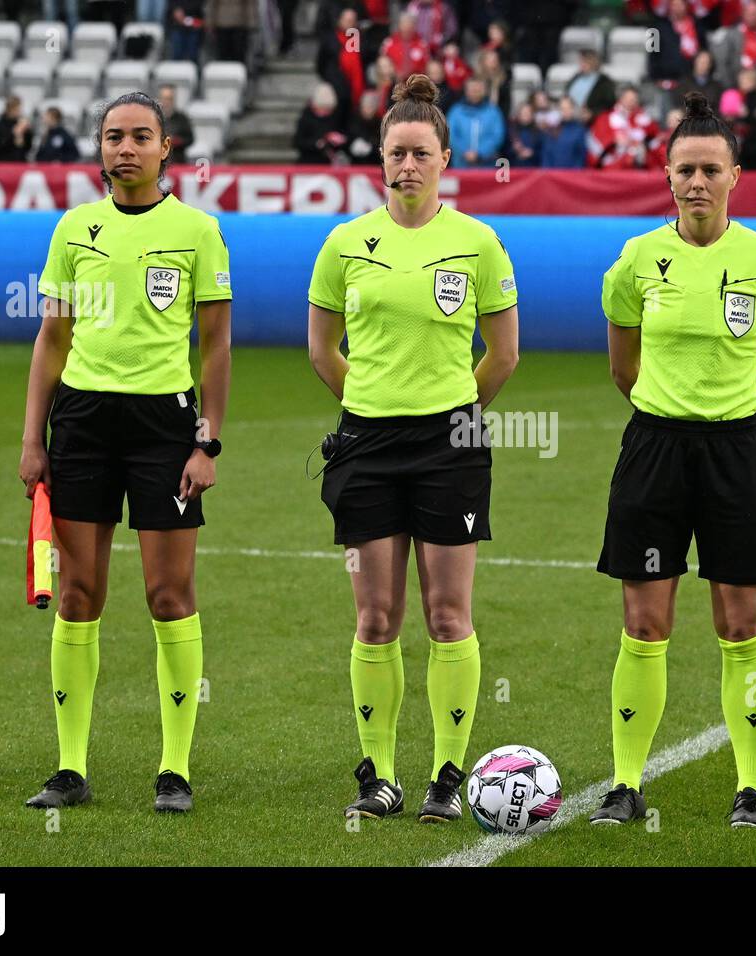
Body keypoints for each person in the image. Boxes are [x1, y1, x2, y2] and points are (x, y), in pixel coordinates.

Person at [307, 74, 519, 823]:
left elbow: (502, 355)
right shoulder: (345, 243)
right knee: (374, 617)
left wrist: (452, 411)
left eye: (420, 153)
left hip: (450, 444)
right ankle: (380, 776)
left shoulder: (476, 241)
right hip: (365, 443)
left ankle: (446, 778)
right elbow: (322, 347)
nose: (407, 166)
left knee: (448, 613)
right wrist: (369, 404)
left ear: (445, 158)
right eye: (396, 152)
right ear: (380, 158)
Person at [589, 91, 756, 828]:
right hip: (654, 447)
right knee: (645, 623)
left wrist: (736, 421)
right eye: (686, 169)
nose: (697, 182)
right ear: (668, 175)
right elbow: (624, 366)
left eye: (712, 168)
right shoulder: (638, 259)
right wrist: (668, 414)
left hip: (736, 451)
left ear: (736, 175)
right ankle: (624, 783)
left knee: (741, 624)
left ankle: (751, 788)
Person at [19, 91, 233, 814]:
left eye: (142, 136)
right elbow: (52, 338)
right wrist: (32, 438)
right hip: (79, 422)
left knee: (167, 596)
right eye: (114, 136)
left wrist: (208, 439)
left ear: (166, 148)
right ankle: (69, 769)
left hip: (162, 427)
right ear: (100, 147)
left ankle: (174, 769)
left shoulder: (197, 230)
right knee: (78, 596)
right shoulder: (74, 229)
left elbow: (216, 344)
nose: (126, 148)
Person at [446, 77, 505, 168]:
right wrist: (464, 152)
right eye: (472, 89)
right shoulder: (456, 111)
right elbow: (450, 134)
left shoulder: (493, 112)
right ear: (466, 91)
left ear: (484, 91)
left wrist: (480, 153)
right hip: (461, 165)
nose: (475, 92)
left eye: (478, 89)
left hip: (487, 165)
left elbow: (497, 136)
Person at [566, 49, 617, 121]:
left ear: (593, 62)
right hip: (571, 117)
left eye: (585, 61)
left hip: (593, 121)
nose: (581, 64)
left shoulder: (604, 82)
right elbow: (566, 95)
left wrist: (593, 113)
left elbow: (609, 105)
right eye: (581, 61)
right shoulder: (576, 77)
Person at [541, 94, 589, 168]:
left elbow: (582, 156)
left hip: (571, 176)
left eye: (568, 108)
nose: (565, 111)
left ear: (573, 109)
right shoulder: (552, 129)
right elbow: (547, 155)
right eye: (562, 108)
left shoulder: (580, 130)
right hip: (553, 176)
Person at [0, 96, 32, 162]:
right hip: (2, 164)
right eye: (16, 109)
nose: (19, 111)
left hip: (20, 164)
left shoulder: (21, 124)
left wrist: (28, 132)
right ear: (9, 109)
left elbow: (27, 148)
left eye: (19, 109)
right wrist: (13, 134)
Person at [157, 85, 193, 164]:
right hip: (158, 163)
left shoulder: (182, 118)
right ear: (160, 99)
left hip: (177, 161)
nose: (167, 102)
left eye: (169, 99)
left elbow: (190, 139)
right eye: (164, 98)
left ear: (174, 99)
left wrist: (177, 141)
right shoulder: (154, 118)